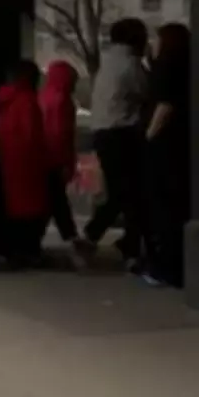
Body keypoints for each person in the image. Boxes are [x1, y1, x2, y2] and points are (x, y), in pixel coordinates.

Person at [82, 18, 150, 271]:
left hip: (103, 133)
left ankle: (127, 244)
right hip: (122, 134)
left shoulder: (109, 61)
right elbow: (149, 92)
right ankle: (92, 236)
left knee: (125, 191)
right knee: (128, 191)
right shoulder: (131, 65)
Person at [141, 23, 190, 288]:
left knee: (164, 207)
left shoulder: (166, 67)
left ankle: (166, 268)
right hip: (183, 145)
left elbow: (165, 104)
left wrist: (149, 135)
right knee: (179, 206)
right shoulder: (189, 66)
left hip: (165, 146)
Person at [0, 60, 49, 266]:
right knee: (32, 209)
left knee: (14, 207)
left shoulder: (3, 100)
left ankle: (15, 250)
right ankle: (29, 251)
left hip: (8, 159)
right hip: (28, 162)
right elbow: (31, 134)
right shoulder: (27, 100)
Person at [38, 60, 86, 266]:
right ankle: (70, 238)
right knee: (57, 201)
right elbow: (62, 135)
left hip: (43, 157)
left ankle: (67, 236)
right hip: (55, 159)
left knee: (52, 201)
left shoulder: (43, 97)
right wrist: (67, 162)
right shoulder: (63, 101)